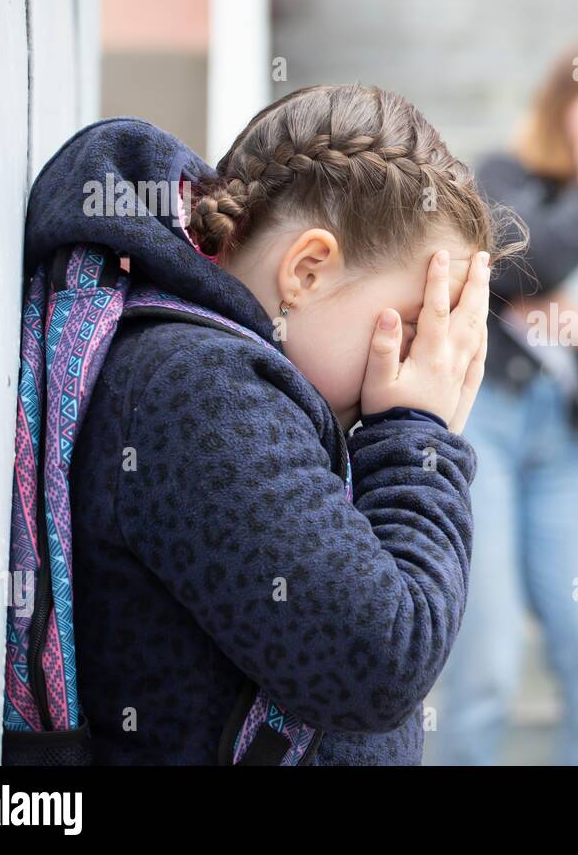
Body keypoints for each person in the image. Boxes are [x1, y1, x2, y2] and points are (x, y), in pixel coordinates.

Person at [35, 84, 506, 763]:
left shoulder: (216, 372)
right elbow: (376, 663)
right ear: (307, 271)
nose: (419, 365)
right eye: (410, 328)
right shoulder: (197, 389)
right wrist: (417, 436)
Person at [433, 37, 578, 765]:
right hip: (486, 425)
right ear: (566, 100)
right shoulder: (504, 174)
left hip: (560, 443)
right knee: (486, 669)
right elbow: (520, 263)